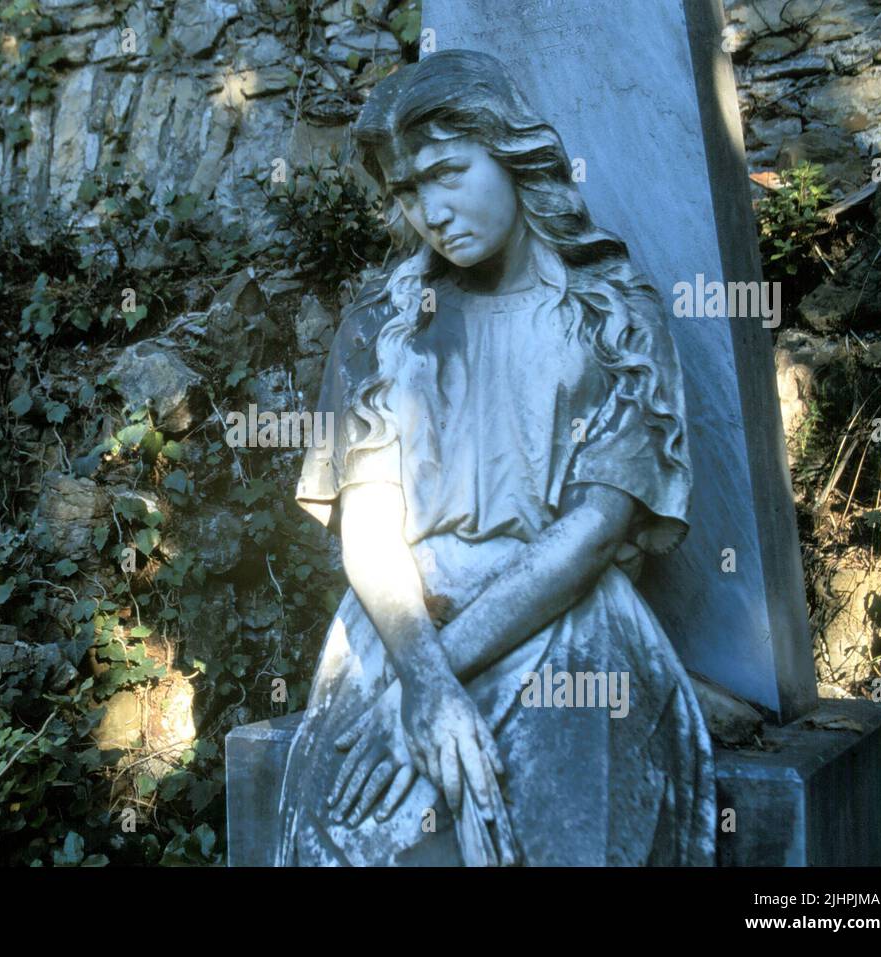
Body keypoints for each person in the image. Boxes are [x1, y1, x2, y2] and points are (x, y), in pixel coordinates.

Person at [275, 50, 716, 866]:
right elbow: (367, 526)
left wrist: (431, 686)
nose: (431, 212)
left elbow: (593, 531)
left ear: (512, 153)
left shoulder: (610, 314)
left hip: (565, 622)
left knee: (560, 822)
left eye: (448, 172)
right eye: (408, 191)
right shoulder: (384, 321)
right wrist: (420, 677)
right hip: (400, 626)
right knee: (365, 824)